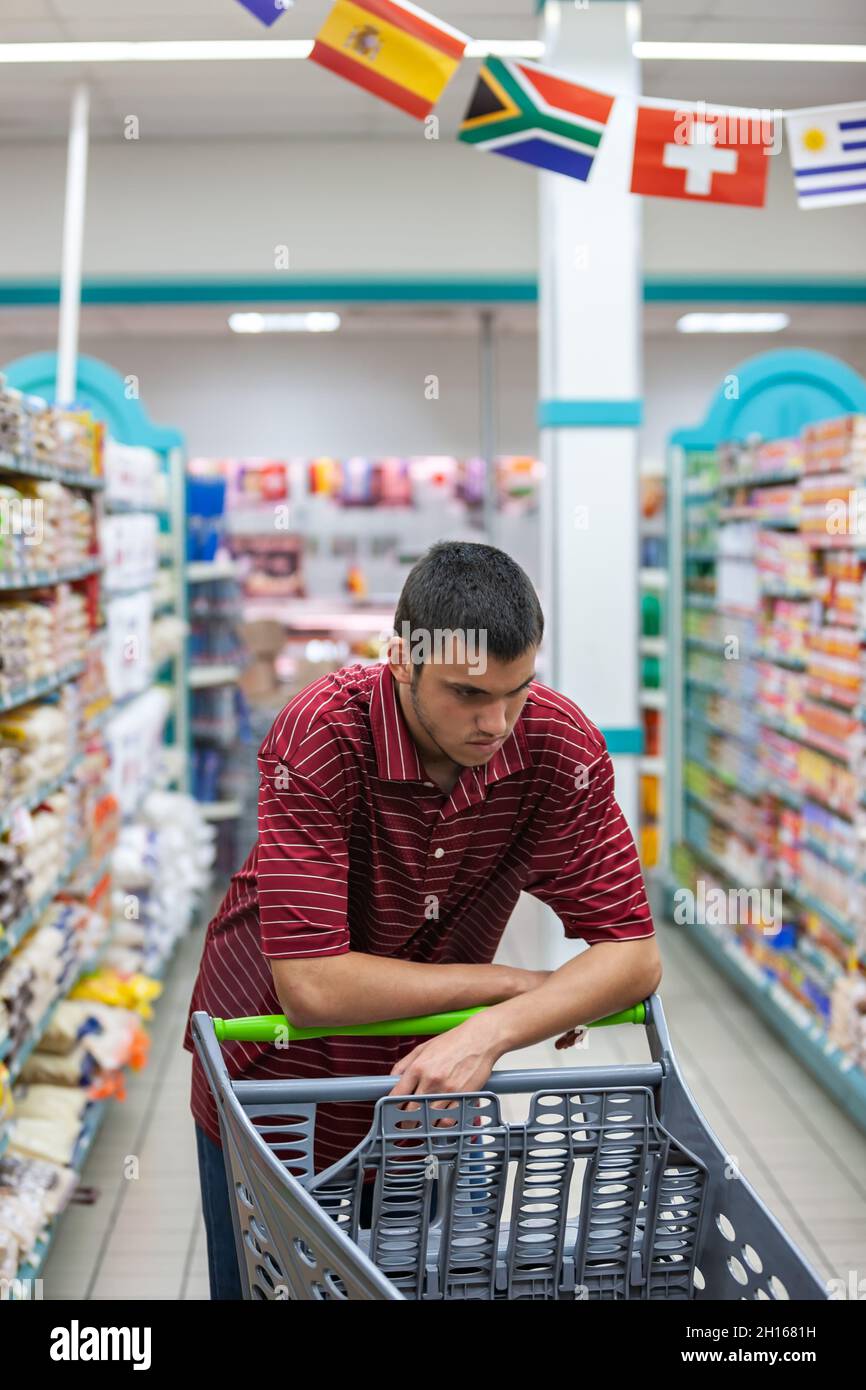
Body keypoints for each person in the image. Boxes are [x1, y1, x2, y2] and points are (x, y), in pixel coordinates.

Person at [183, 541, 661, 1299]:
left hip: (439, 1080)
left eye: (517, 689)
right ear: (400, 659)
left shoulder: (555, 744)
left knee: (442, 1282)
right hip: (280, 1076)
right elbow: (313, 986)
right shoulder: (319, 735)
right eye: (467, 695)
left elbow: (633, 954)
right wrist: (514, 985)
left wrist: (490, 1031)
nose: (496, 722)